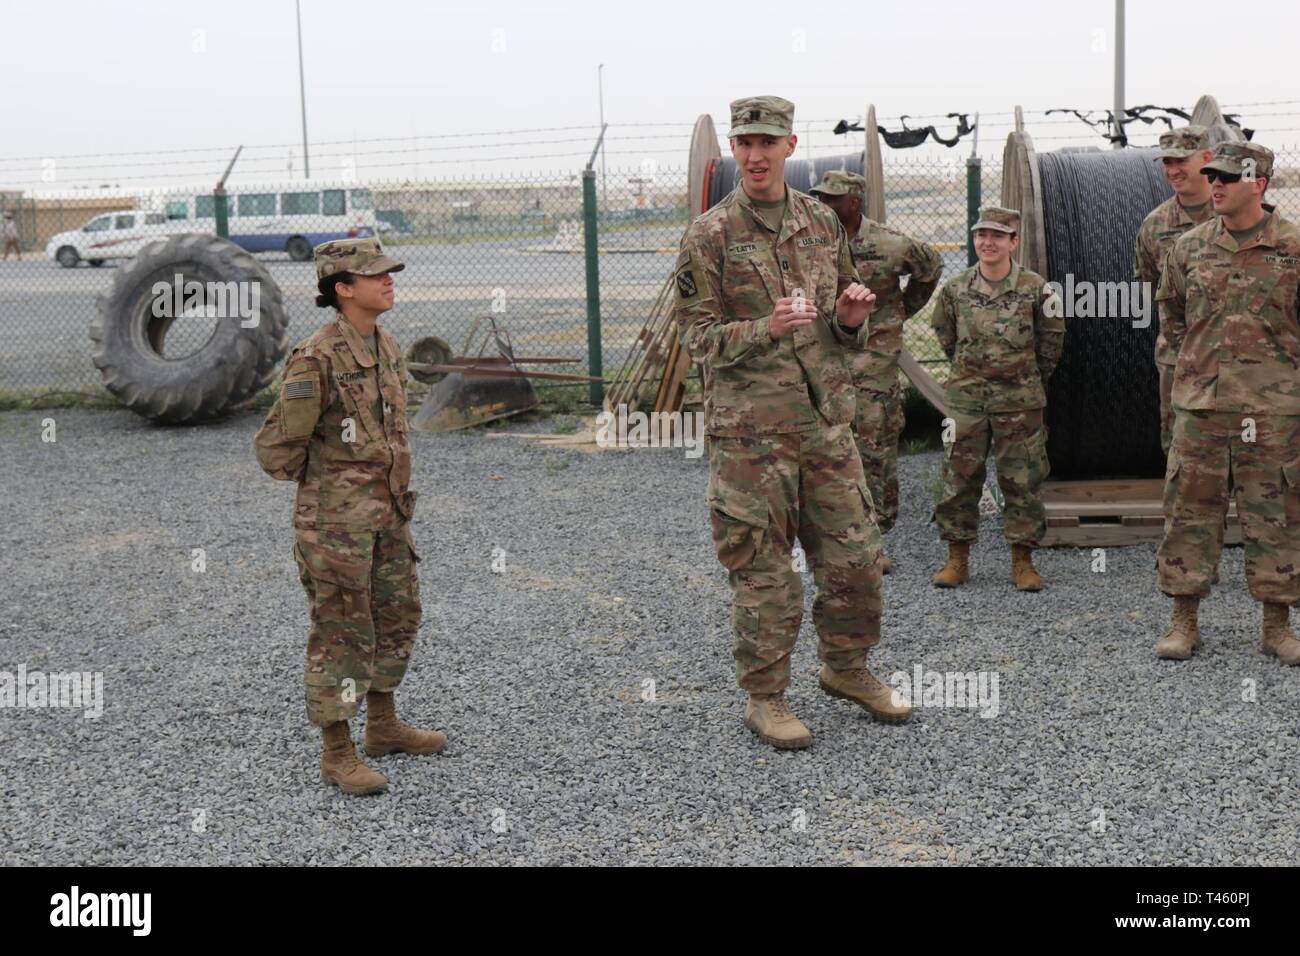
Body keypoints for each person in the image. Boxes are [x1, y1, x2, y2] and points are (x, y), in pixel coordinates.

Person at [674, 95, 911, 751]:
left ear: (789, 146)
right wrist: (763, 328)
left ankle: (846, 669)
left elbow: (836, 326)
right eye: (743, 143)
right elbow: (697, 339)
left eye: (766, 143)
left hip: (824, 422)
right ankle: (767, 697)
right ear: (732, 149)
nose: (754, 155)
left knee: (856, 559)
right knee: (764, 571)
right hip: (752, 436)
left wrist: (850, 320)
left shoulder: (819, 222)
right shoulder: (709, 236)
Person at [254, 237, 446, 795]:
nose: (388, 281)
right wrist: (331, 489)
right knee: (342, 632)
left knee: (397, 614)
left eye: (389, 273)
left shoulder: (385, 344)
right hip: (336, 528)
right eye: (375, 275)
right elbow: (276, 450)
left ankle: (383, 725)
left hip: (388, 517)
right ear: (342, 288)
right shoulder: (316, 357)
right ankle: (337, 752)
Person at [1154, 140, 1300, 665]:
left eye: (1226, 178)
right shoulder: (1189, 248)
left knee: (1276, 514)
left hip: (1274, 410)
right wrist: (1197, 369)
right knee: (1190, 512)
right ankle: (1184, 621)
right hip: (1203, 406)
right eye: (1210, 176)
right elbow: (1170, 314)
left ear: (1259, 184)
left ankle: (1277, 627)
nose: (1213, 185)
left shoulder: (1294, 247)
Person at [809, 170, 942, 572]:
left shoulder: (889, 243)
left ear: (854, 202)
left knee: (874, 445)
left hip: (872, 360)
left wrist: (898, 313)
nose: (824, 205)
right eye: (820, 198)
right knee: (822, 447)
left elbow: (931, 267)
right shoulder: (812, 244)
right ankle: (830, 538)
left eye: (833, 199)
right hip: (825, 357)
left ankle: (875, 539)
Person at [930, 207, 1064, 591]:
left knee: (1022, 479)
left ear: (1013, 242)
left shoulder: (1038, 289)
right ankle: (957, 558)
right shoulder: (955, 289)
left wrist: (1025, 377)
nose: (987, 243)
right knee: (959, 477)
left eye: (997, 236)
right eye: (981, 235)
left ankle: (1023, 561)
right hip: (966, 401)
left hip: (1019, 401)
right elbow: (946, 336)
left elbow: (1051, 342)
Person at [1134, 125, 1216, 454]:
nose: (1173, 170)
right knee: (1179, 448)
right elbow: (1146, 285)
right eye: (1167, 162)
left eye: (1181, 160)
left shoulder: (1236, 216)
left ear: (1207, 158)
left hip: (1239, 362)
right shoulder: (1155, 225)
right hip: (1178, 359)